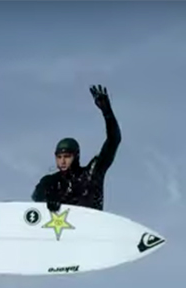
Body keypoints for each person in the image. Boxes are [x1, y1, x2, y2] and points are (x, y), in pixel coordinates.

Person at [31, 84, 121, 212]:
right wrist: (47, 200)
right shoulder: (50, 182)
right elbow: (36, 195)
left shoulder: (92, 174)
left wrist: (107, 113)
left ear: (76, 156)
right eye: (59, 157)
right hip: (60, 230)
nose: (62, 161)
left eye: (67, 157)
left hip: (91, 228)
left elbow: (113, 141)